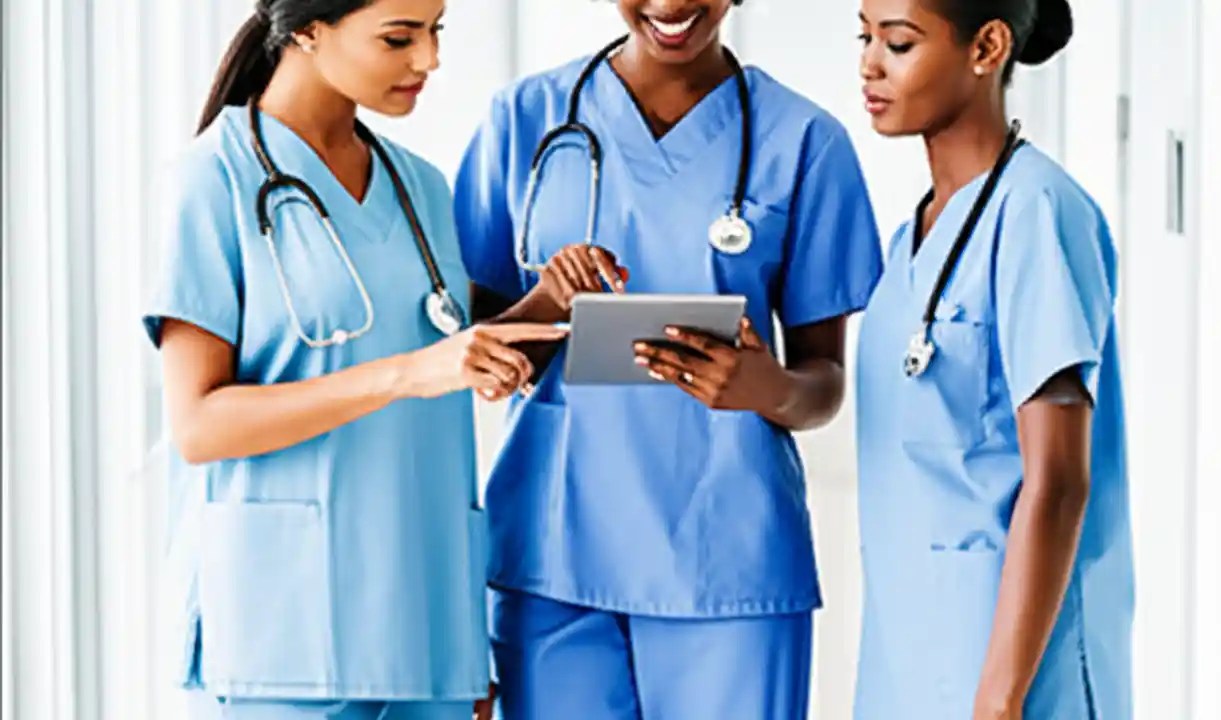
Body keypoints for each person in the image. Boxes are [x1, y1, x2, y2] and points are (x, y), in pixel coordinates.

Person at [452, 0, 884, 717]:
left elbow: (824, 383)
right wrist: (546, 303)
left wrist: (765, 387)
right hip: (553, 551)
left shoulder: (805, 139)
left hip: (728, 559)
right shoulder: (525, 118)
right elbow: (470, 344)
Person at [143, 1, 563, 717]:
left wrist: (553, 299)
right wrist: (409, 373)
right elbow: (200, 426)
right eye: (399, 37)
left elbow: (445, 356)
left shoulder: (422, 187)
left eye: (436, 31)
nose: (428, 60)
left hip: (427, 635)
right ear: (308, 28)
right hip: (284, 636)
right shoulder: (213, 180)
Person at [854, 0, 1132, 717]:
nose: (870, 64)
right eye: (865, 37)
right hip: (907, 659)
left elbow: (1061, 481)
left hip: (1011, 675)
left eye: (900, 42)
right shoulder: (910, 240)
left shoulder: (1038, 209)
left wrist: (1000, 700)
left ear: (988, 48)